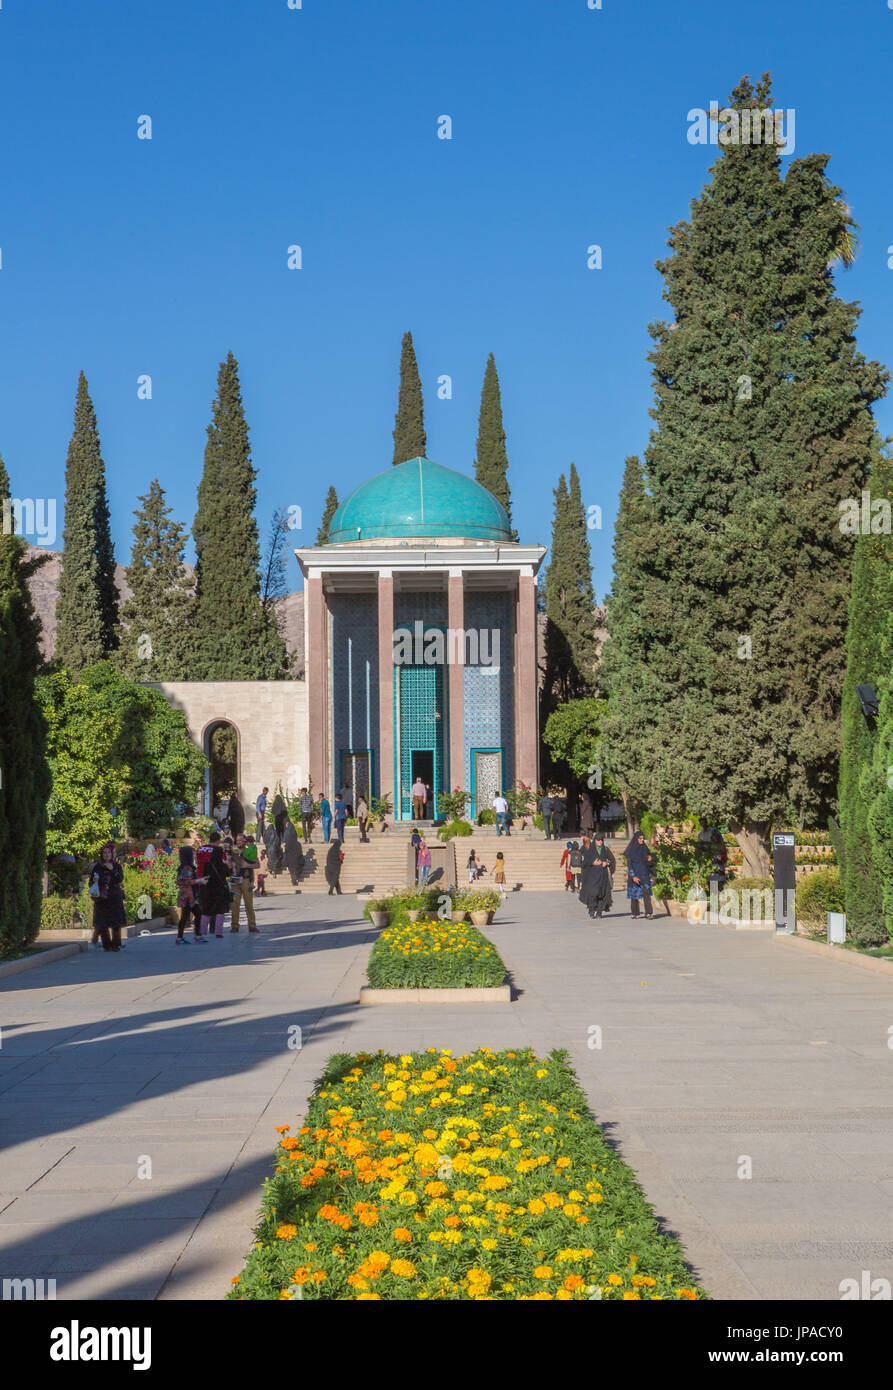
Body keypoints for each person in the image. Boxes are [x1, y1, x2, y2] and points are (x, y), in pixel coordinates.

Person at [89, 843, 126, 952]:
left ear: (112, 854)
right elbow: (91, 881)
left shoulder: (116, 866)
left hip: (114, 896)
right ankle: (106, 944)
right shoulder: (98, 866)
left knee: (116, 922)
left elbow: (120, 879)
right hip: (102, 898)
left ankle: (116, 944)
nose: (106, 855)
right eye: (104, 852)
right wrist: (94, 881)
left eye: (108, 852)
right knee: (102, 922)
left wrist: (112, 870)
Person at [198, 842, 231, 938]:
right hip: (220, 891)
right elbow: (229, 874)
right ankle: (218, 933)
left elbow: (205, 875)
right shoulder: (223, 865)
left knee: (206, 911)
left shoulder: (207, 865)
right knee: (220, 911)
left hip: (208, 891)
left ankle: (203, 931)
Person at [230, 833, 260, 932]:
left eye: (241, 840)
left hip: (246, 880)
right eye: (237, 840)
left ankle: (252, 925)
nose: (239, 842)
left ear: (245, 841)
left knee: (249, 904)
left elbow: (257, 864)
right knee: (234, 904)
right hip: (235, 880)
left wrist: (247, 865)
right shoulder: (233, 851)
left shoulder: (249, 850)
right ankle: (234, 926)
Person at [579, 836, 613, 920]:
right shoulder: (590, 849)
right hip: (592, 877)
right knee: (593, 894)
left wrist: (606, 863)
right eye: (598, 840)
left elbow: (611, 859)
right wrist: (592, 863)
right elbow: (584, 863)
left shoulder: (605, 849)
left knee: (602, 894)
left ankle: (599, 912)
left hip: (603, 876)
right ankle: (591, 910)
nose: (600, 842)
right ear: (595, 840)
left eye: (602, 840)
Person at [625, 830, 655, 920]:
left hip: (645, 874)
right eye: (640, 838)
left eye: (643, 838)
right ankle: (635, 913)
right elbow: (629, 864)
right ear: (636, 839)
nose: (642, 840)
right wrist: (633, 876)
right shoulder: (631, 850)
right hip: (635, 875)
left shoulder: (645, 848)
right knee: (634, 895)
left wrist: (650, 859)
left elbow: (650, 860)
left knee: (646, 894)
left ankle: (648, 913)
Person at [176, 845, 200, 944]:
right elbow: (187, 881)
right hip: (188, 896)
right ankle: (196, 936)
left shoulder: (183, 867)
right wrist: (200, 881)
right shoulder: (187, 868)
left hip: (185, 895)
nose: (194, 855)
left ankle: (182, 937)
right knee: (197, 914)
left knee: (186, 916)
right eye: (192, 853)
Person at [282, 814, 305, 890]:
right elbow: (300, 852)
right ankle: (296, 878)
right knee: (296, 868)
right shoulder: (297, 843)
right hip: (296, 858)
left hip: (290, 859)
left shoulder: (287, 841)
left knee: (292, 870)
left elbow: (286, 851)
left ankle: (294, 880)